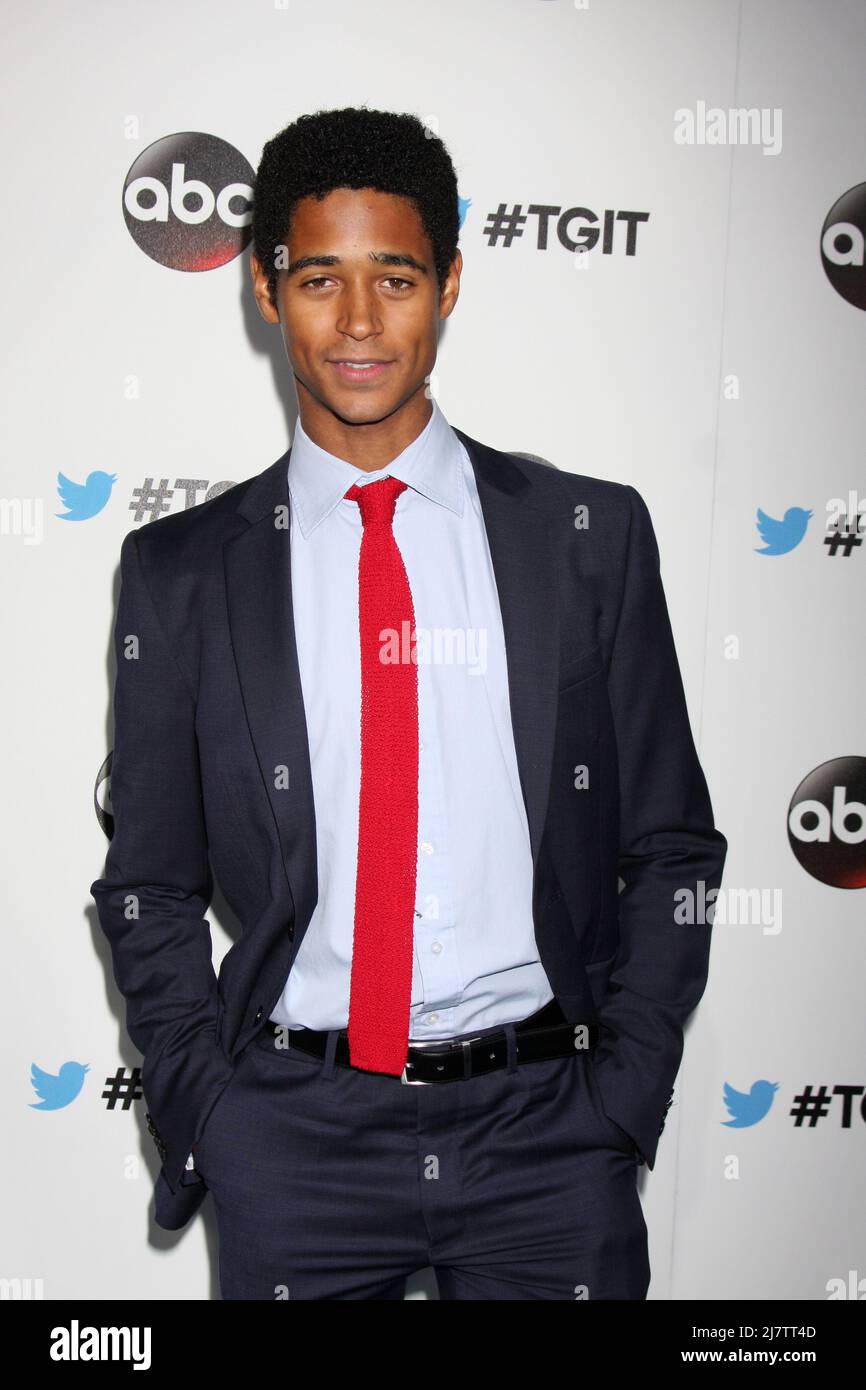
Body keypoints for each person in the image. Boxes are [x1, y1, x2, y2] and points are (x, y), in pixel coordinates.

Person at [91, 105, 727, 1300]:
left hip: (549, 1136)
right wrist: (214, 1113)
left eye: (395, 275)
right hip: (294, 1140)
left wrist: (621, 1094)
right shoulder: (182, 572)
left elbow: (670, 842)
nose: (360, 320)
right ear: (265, 295)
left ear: (449, 286)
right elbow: (149, 883)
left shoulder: (587, 540)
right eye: (319, 277)